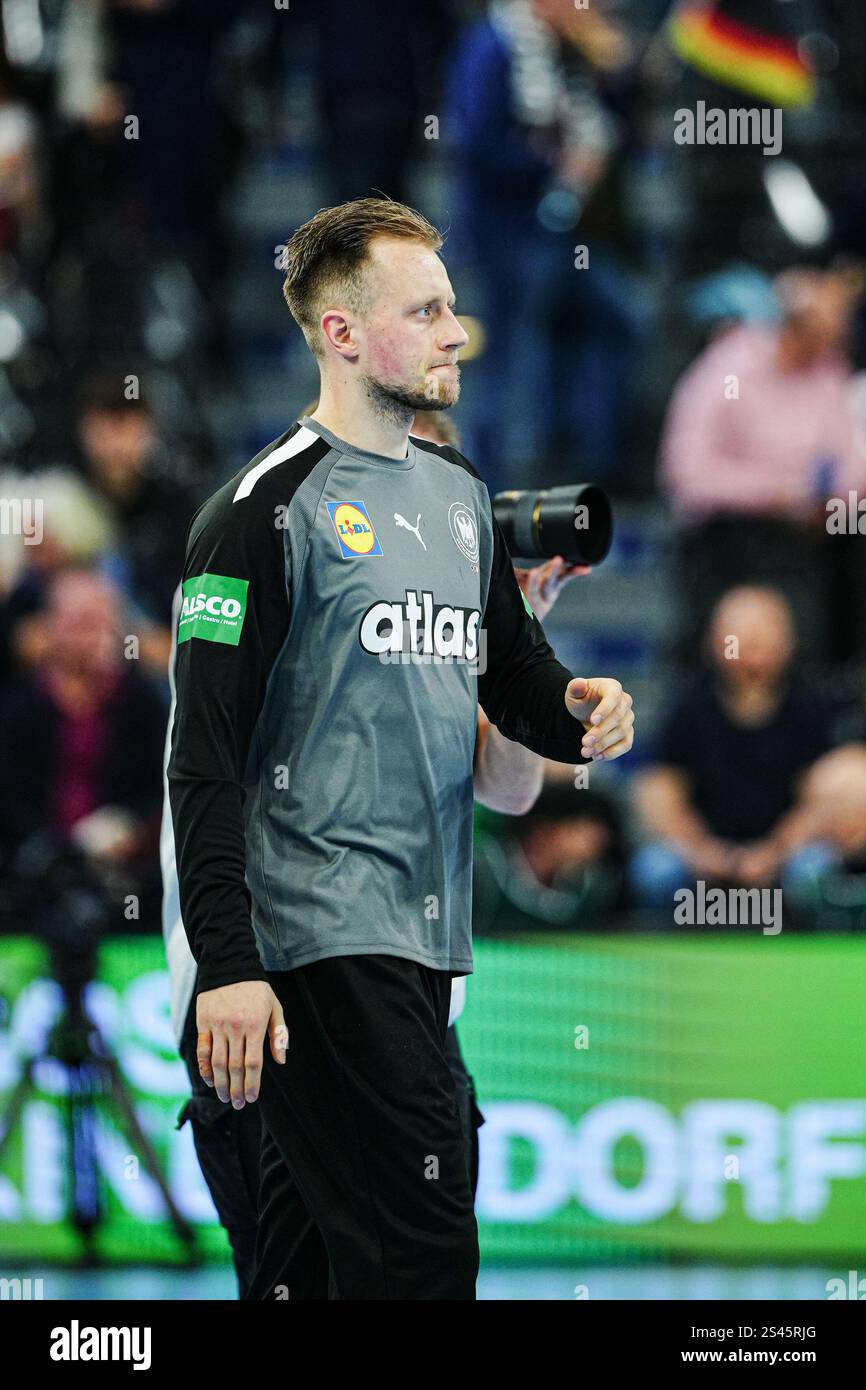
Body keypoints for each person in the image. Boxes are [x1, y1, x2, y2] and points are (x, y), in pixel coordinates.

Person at [167, 196, 634, 1300]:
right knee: (422, 1257)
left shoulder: (461, 498)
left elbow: (514, 681)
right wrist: (227, 967)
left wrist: (580, 707)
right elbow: (205, 760)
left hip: (426, 945)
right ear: (340, 334)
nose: (455, 332)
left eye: (453, 307)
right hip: (317, 945)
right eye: (425, 311)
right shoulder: (260, 512)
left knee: (309, 1272)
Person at [631, 585, 839, 908]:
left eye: (766, 632)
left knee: (815, 869)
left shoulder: (811, 708)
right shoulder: (688, 708)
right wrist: (703, 852)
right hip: (703, 854)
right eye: (741, 633)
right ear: (714, 642)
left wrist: (773, 852)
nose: (754, 645)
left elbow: (823, 801)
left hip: (784, 854)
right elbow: (659, 792)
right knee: (655, 870)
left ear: (788, 642)